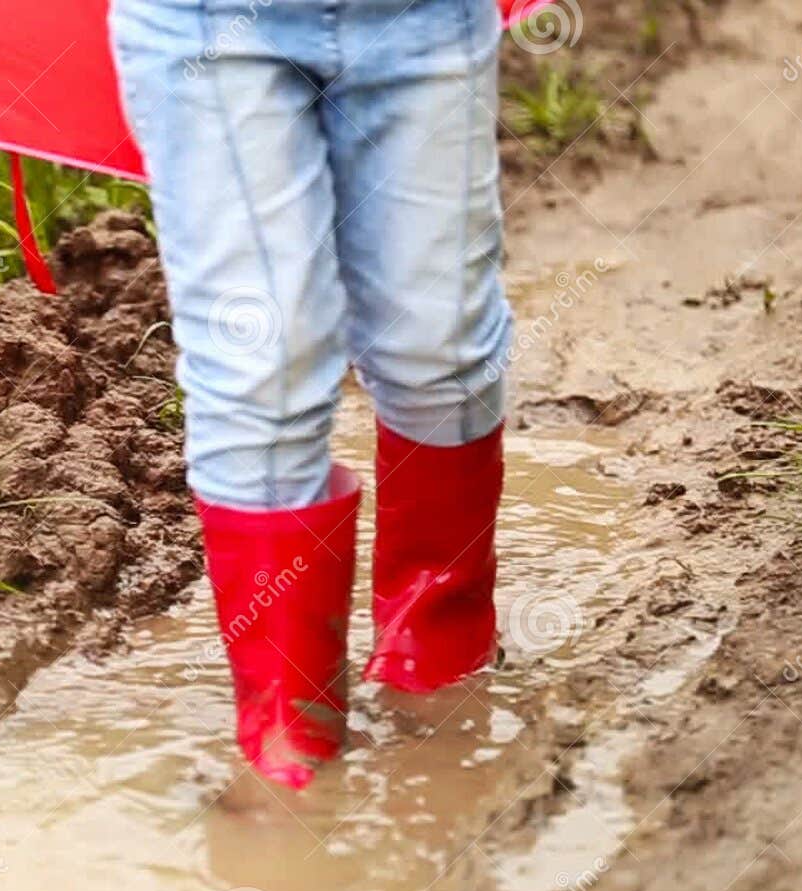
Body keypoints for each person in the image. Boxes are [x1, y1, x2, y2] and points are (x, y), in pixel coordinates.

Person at [110, 0, 514, 789]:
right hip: (206, 25)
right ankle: (291, 747)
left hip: (423, 20)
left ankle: (441, 675)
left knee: (441, 348)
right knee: (263, 365)